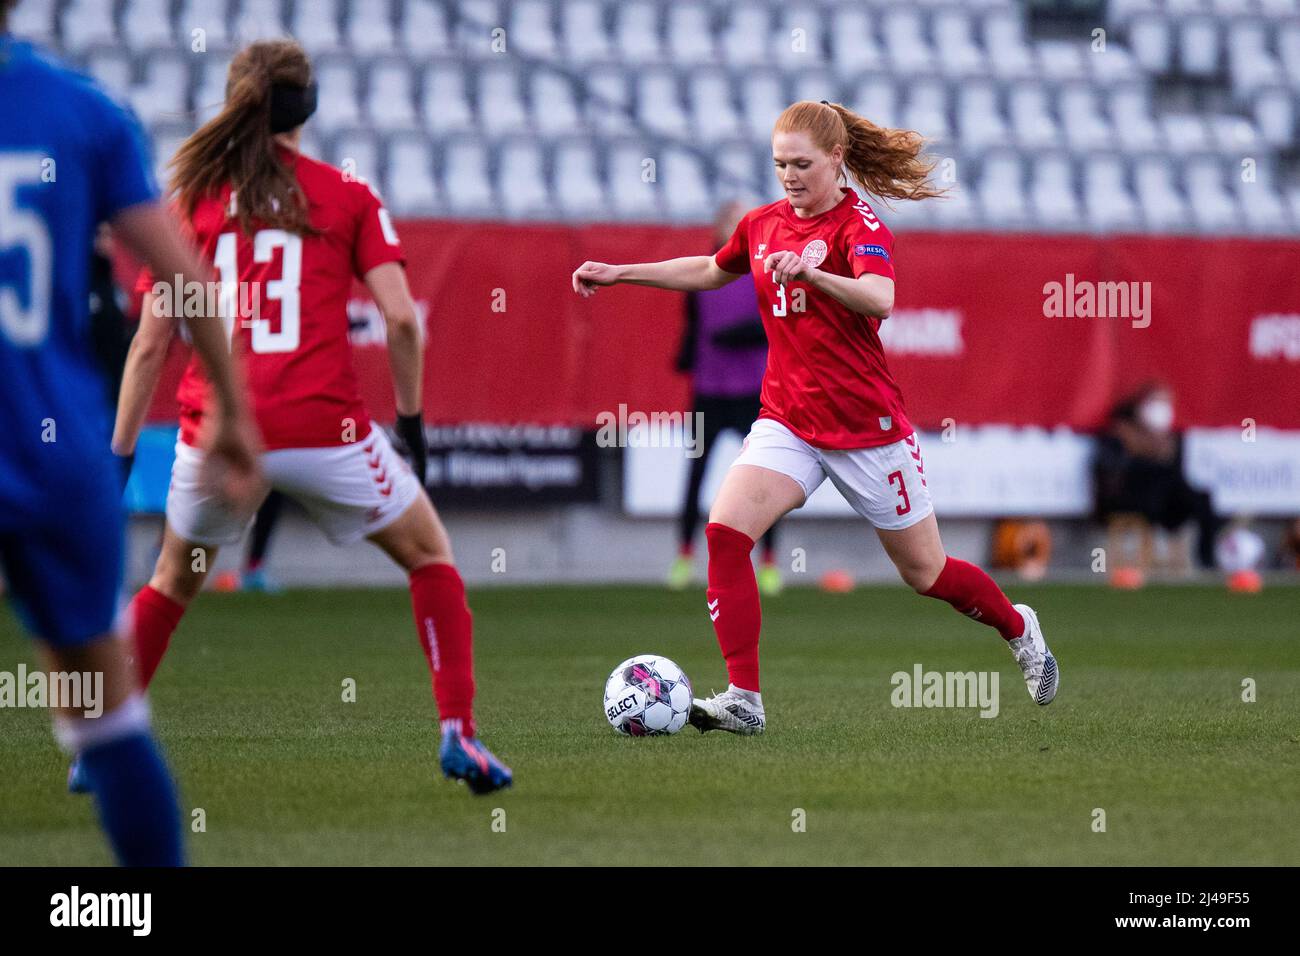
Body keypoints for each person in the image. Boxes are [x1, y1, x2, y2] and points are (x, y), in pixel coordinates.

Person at [572, 100, 1059, 734]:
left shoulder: (860, 226)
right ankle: (744, 699)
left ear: (835, 159)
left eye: (801, 164)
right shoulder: (762, 223)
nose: (789, 176)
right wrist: (623, 273)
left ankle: (1021, 630)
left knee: (928, 574)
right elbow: (709, 269)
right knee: (724, 534)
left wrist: (817, 274)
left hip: (867, 431)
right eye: (779, 164)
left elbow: (880, 299)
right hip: (789, 421)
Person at [103, 39, 511, 793]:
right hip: (327, 433)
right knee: (430, 556)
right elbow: (401, 322)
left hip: (219, 438)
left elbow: (152, 342)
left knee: (169, 583)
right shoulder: (346, 195)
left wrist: (120, 454)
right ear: (309, 108)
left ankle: (98, 746)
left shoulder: (192, 202)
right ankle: (459, 732)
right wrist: (413, 423)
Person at [0, 1, 261, 864]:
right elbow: (183, 279)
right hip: (53, 458)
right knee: (105, 716)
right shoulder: (82, 111)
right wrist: (234, 411)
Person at [669, 200, 783, 596]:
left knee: (766, 483)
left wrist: (738, 334)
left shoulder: (762, 272)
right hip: (708, 392)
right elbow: (693, 325)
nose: (736, 229)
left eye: (742, 224)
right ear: (718, 227)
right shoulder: (703, 273)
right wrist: (685, 355)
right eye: (730, 222)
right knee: (696, 475)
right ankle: (684, 558)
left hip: (754, 392)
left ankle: (768, 564)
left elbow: (772, 325)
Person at [1093, 381, 1222, 570]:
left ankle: (1207, 558)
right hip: (1131, 495)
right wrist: (1147, 443)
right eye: (1156, 402)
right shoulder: (1121, 430)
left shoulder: (1172, 436)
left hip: (1166, 500)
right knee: (1157, 477)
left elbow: (1174, 469)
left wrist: (1162, 443)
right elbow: (1116, 470)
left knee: (1201, 498)